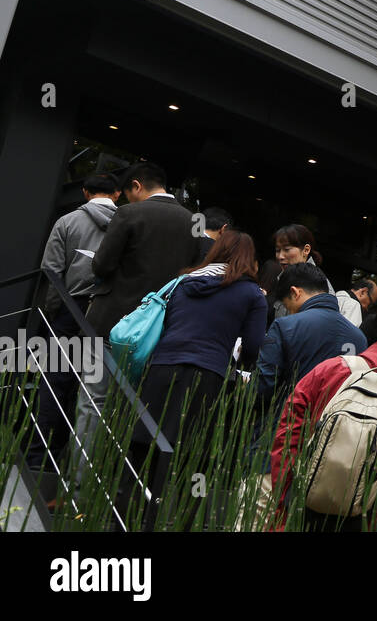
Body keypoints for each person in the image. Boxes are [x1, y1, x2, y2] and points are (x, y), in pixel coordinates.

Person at [74, 162, 203, 488]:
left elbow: (102, 265)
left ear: (135, 186)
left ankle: (79, 485)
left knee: (93, 404)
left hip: (110, 323)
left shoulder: (130, 215)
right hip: (157, 331)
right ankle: (113, 487)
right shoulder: (192, 222)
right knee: (133, 409)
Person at [127, 230, 266, 522]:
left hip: (161, 370)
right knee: (196, 457)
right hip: (208, 378)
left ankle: (128, 519)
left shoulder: (182, 282)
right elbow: (254, 347)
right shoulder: (252, 293)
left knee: (143, 447)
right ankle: (183, 521)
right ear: (248, 259)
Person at [267, 298, 377, 531]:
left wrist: (284, 502)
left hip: (305, 506)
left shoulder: (333, 368)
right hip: (368, 517)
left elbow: (287, 436)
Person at [24, 174, 120, 472]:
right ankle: (79, 467)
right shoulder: (127, 225)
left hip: (69, 309)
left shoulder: (67, 221)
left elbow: (51, 270)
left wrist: (55, 311)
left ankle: (40, 459)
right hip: (108, 313)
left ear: (85, 191)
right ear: (118, 194)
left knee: (55, 383)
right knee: (97, 391)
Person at [256, 262, 366, 418]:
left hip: (286, 423)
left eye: (288, 306)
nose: (290, 312)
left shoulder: (286, 326)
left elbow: (265, 384)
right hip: (328, 430)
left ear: (295, 293)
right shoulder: (359, 339)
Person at [267, 224, 332, 323]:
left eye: (287, 249)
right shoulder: (282, 278)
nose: (280, 256)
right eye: (277, 250)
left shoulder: (320, 286)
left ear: (306, 250)